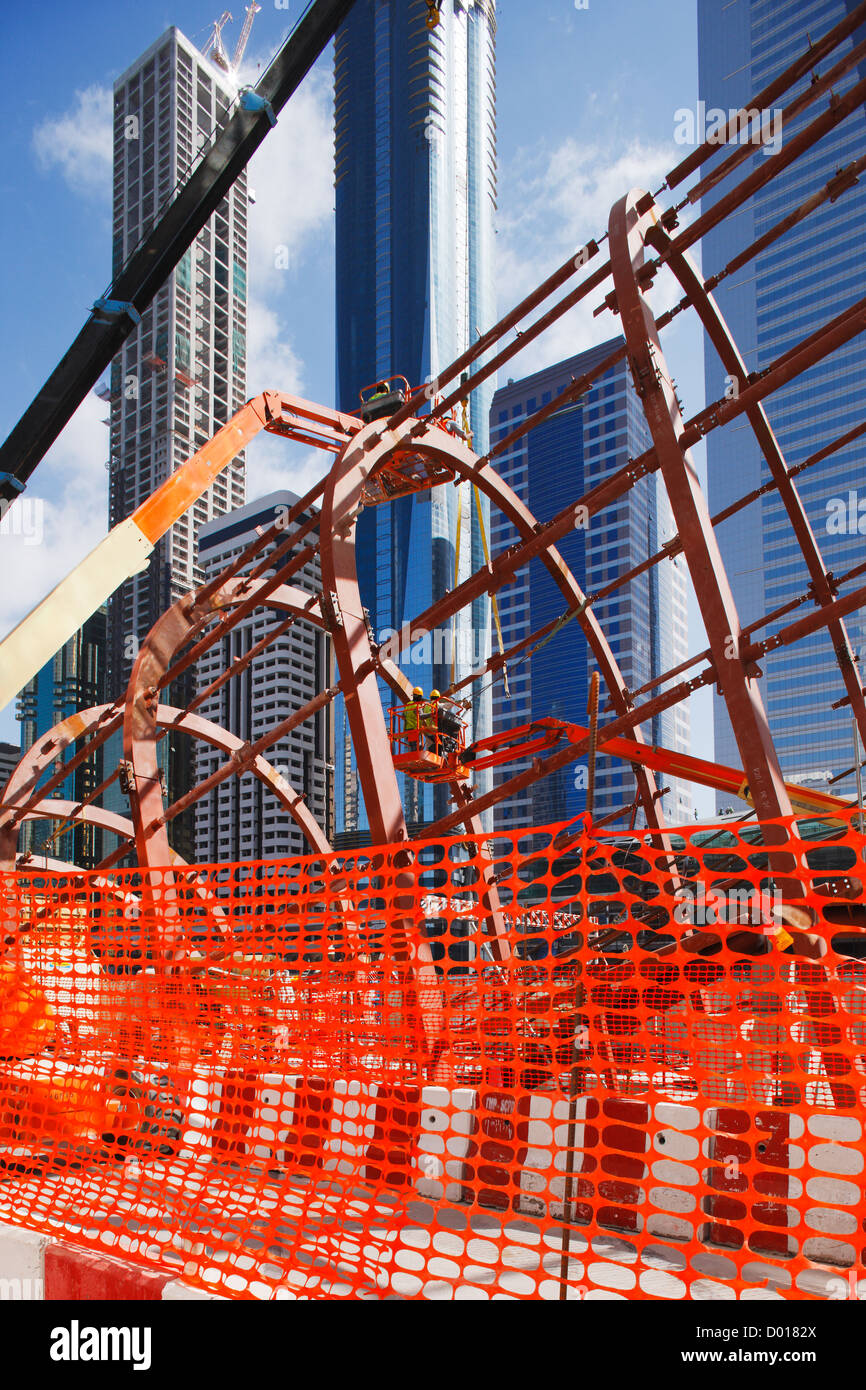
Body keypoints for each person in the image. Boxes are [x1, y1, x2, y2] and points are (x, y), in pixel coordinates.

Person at [403, 687, 425, 751]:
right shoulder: (417, 705)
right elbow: (421, 716)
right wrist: (431, 714)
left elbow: (403, 715)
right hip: (415, 729)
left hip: (408, 730)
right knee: (417, 748)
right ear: (419, 696)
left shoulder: (408, 704)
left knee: (411, 747)